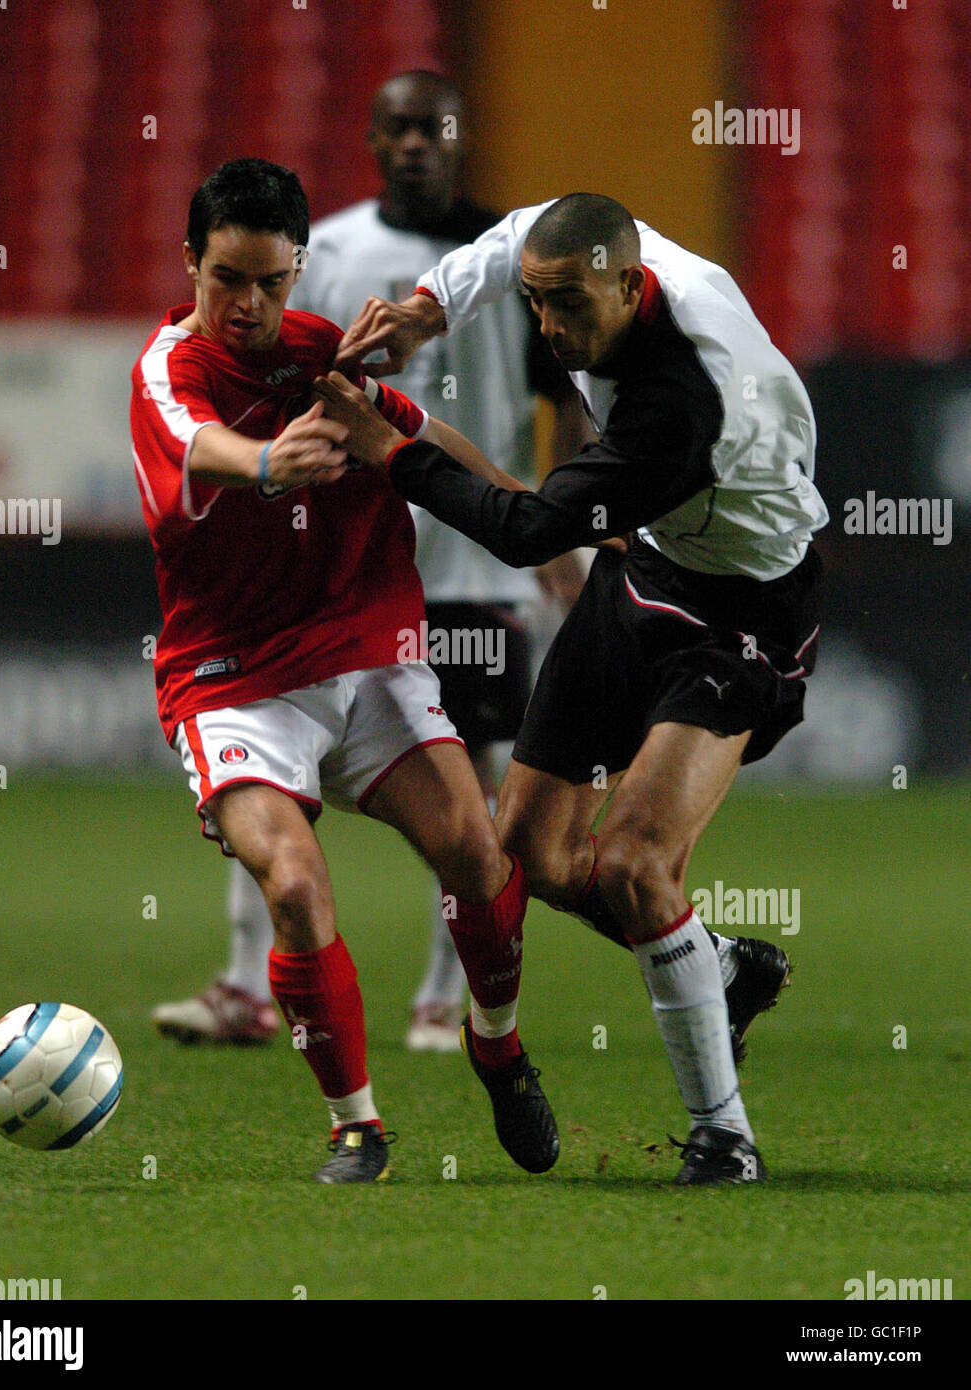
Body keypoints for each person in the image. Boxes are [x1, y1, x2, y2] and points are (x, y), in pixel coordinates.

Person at [315, 193, 829, 1184]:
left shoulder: (686, 402)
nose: (548, 328)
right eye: (536, 303)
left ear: (631, 288)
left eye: (569, 307)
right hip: (646, 571)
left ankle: (724, 1137)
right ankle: (716, 964)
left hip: (741, 613)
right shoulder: (605, 256)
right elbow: (526, 229)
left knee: (633, 862)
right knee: (532, 857)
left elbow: (526, 531)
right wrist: (427, 308)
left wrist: (392, 456)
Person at [130, 158, 559, 1182]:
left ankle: (497, 1045)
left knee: (478, 855)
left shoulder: (323, 357)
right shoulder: (167, 368)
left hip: (364, 656)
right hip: (232, 679)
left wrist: (539, 518)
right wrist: (268, 460)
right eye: (227, 278)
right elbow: (195, 447)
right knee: (291, 881)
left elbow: (422, 436)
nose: (247, 304)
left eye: (270, 281)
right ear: (190, 263)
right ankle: (356, 1126)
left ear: (297, 269)